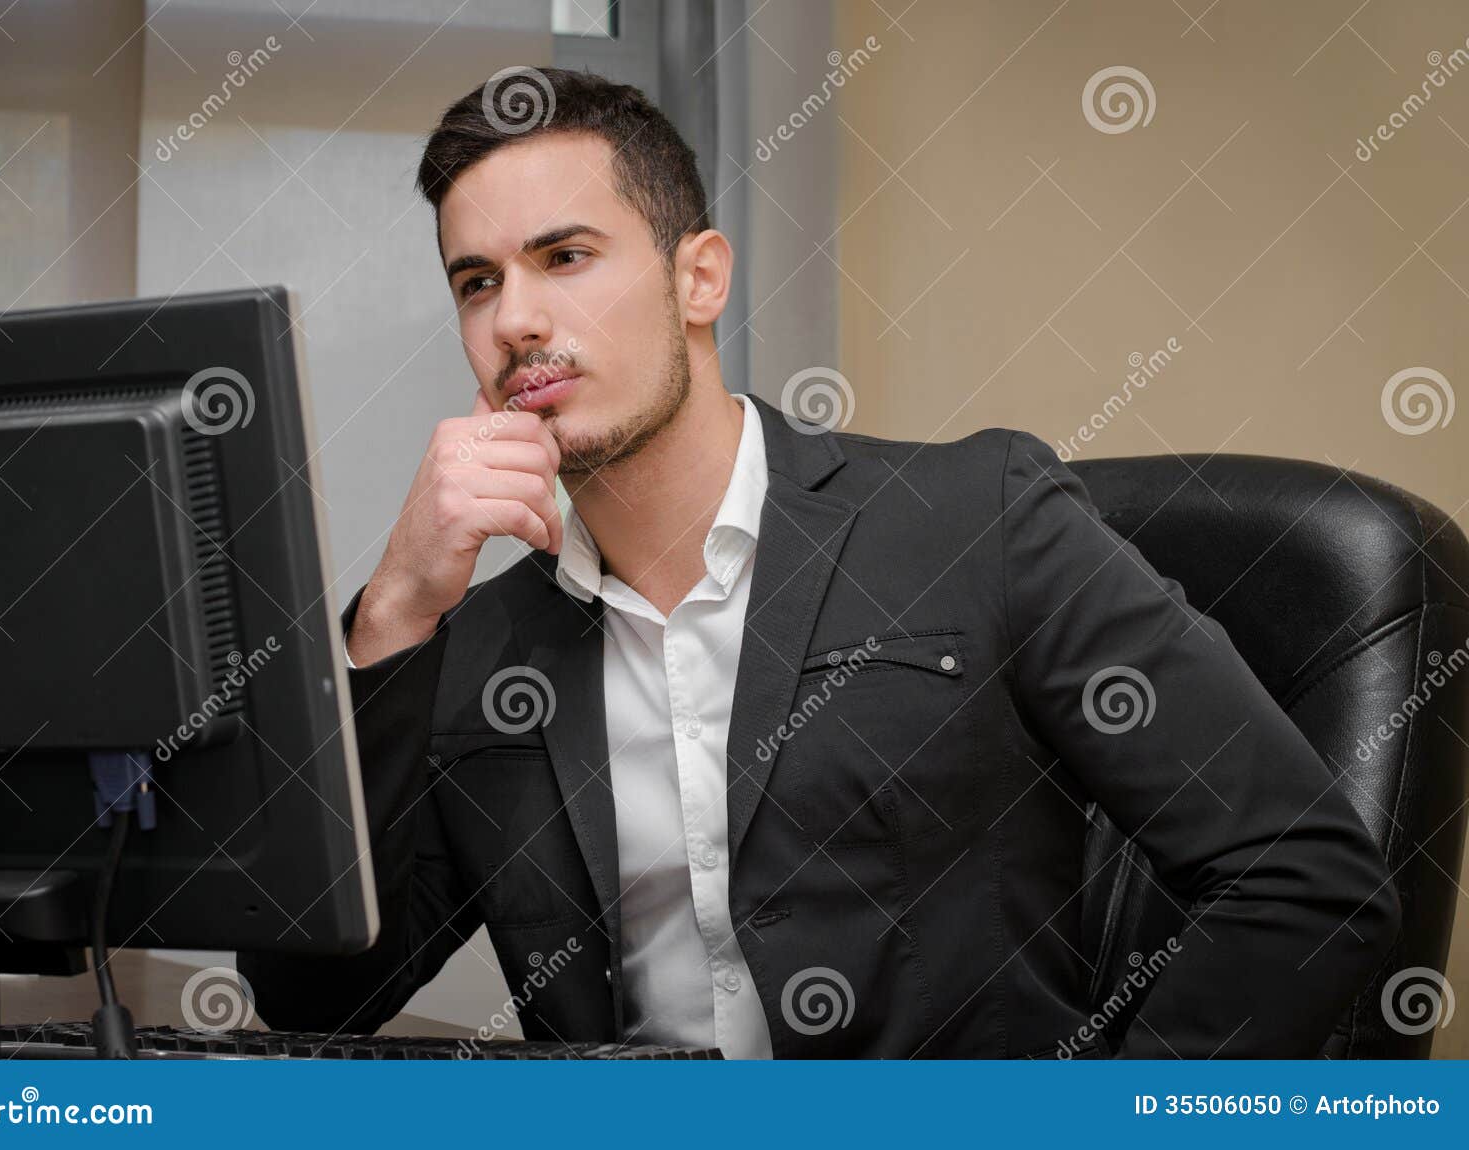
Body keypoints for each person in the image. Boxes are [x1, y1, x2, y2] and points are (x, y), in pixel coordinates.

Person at [238, 67, 1399, 1058]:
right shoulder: (479, 647)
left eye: (566, 255)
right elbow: (312, 1003)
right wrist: (394, 608)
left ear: (699, 276)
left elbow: (1304, 882)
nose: (516, 321)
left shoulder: (978, 520)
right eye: (477, 282)